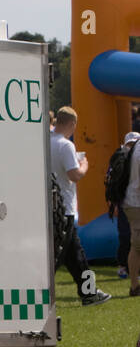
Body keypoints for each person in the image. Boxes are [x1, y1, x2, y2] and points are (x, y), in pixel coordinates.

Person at [50, 107, 111, 305]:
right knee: (61, 255)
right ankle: (87, 292)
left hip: (51, 205)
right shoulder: (66, 145)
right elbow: (74, 175)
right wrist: (84, 164)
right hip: (65, 207)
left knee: (75, 254)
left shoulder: (46, 142)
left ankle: (89, 292)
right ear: (73, 124)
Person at [115, 131, 137, 279]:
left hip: (130, 203)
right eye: (130, 144)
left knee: (132, 238)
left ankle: (132, 270)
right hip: (126, 203)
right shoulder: (120, 160)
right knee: (126, 236)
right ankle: (123, 266)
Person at [123, 128, 140, 297]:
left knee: (136, 246)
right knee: (137, 246)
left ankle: (135, 285)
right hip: (136, 203)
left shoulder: (135, 148)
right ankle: (134, 286)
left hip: (132, 202)